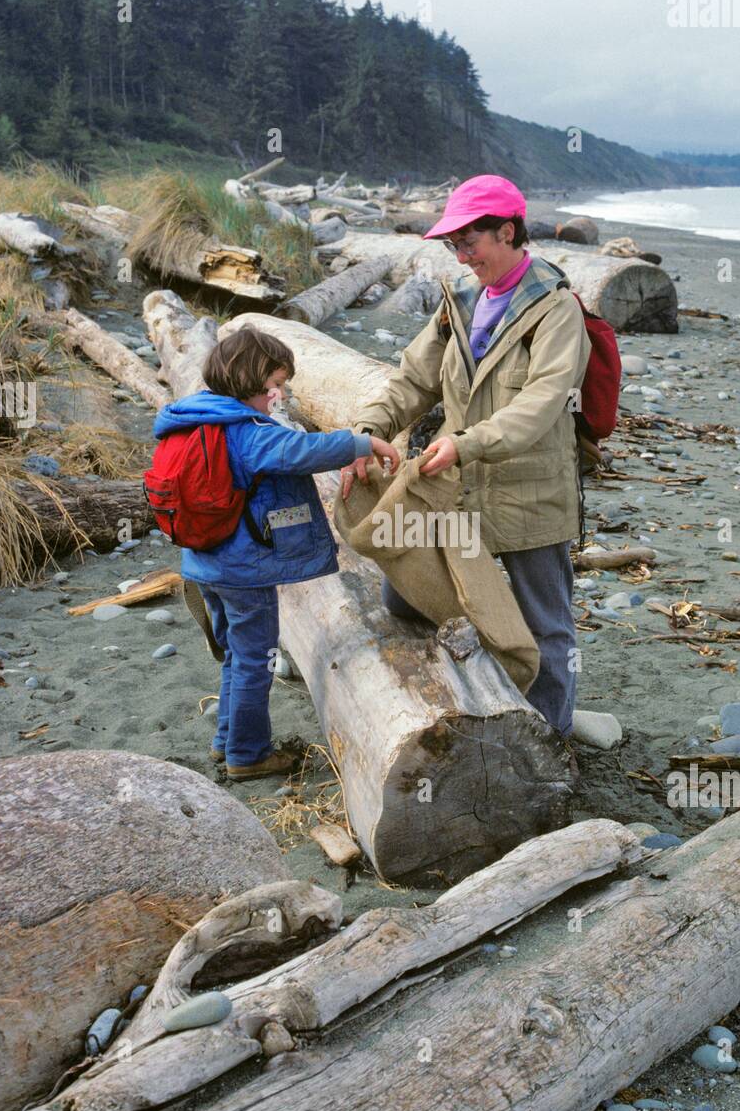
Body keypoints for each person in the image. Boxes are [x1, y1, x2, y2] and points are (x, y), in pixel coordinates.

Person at [340, 174, 590, 750]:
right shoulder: (461, 302)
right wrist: (366, 431)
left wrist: (468, 441)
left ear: (508, 231)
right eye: (453, 244)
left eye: (469, 240)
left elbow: (543, 402)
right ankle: (469, 702)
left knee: (546, 621)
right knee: (403, 595)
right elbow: (413, 380)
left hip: (530, 492)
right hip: (455, 487)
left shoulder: (556, 310)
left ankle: (549, 741)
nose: (461, 253)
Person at [154, 326, 398, 778]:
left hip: (204, 563)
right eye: (278, 384)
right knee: (255, 659)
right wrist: (361, 443)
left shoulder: (194, 418)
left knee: (235, 654)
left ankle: (226, 741)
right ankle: (249, 755)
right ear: (253, 379)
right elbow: (299, 450)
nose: (282, 393)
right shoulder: (245, 431)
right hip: (244, 571)